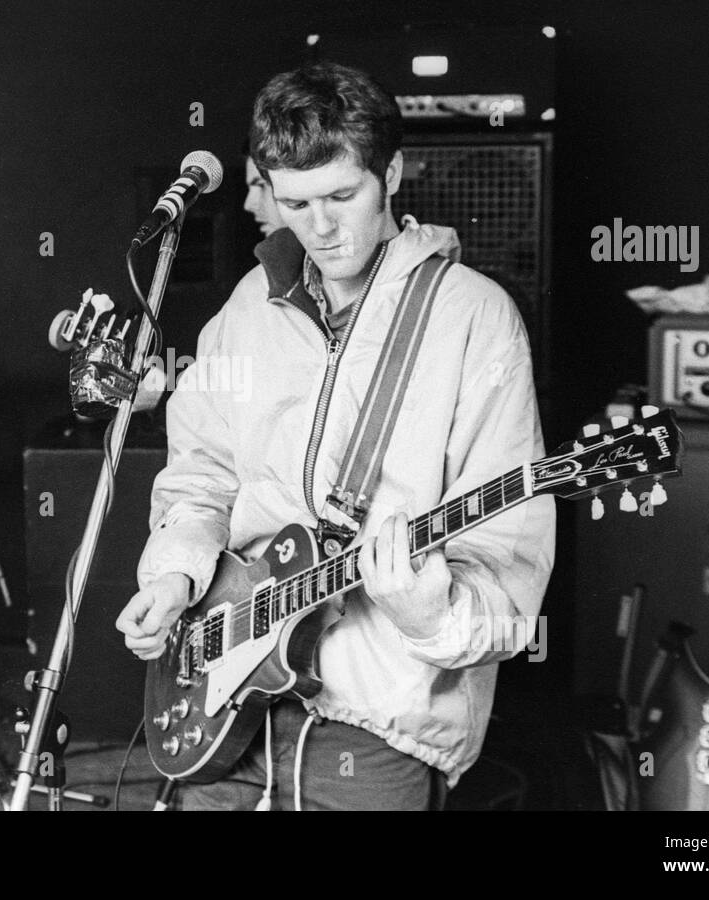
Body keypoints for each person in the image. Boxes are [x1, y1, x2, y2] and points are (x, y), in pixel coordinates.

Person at [116, 61, 555, 810]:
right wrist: (175, 573)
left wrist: (429, 612)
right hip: (223, 701)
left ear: (393, 171)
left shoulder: (475, 320)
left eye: (341, 196)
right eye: (294, 202)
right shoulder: (249, 306)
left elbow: (509, 559)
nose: (318, 227)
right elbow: (201, 473)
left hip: (378, 724)